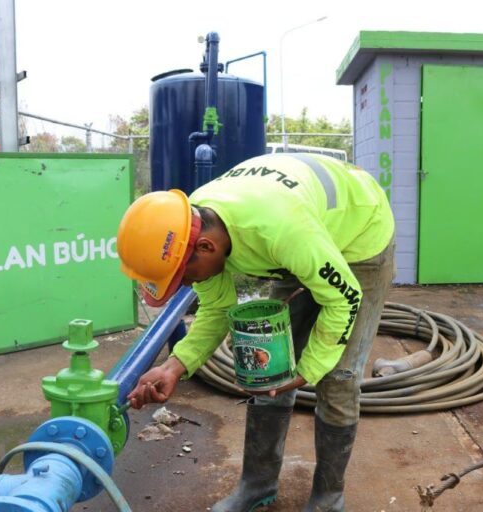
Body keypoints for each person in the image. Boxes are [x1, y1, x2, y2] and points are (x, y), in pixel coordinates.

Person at [118, 153, 395, 512]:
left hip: (360, 237)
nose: (186, 285)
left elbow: (343, 299)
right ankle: (257, 484)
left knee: (338, 377)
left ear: (206, 248)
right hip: (303, 240)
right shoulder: (197, 226)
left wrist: (306, 372)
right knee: (267, 365)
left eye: (183, 278)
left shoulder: (281, 230)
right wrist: (174, 366)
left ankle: (328, 497)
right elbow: (217, 309)